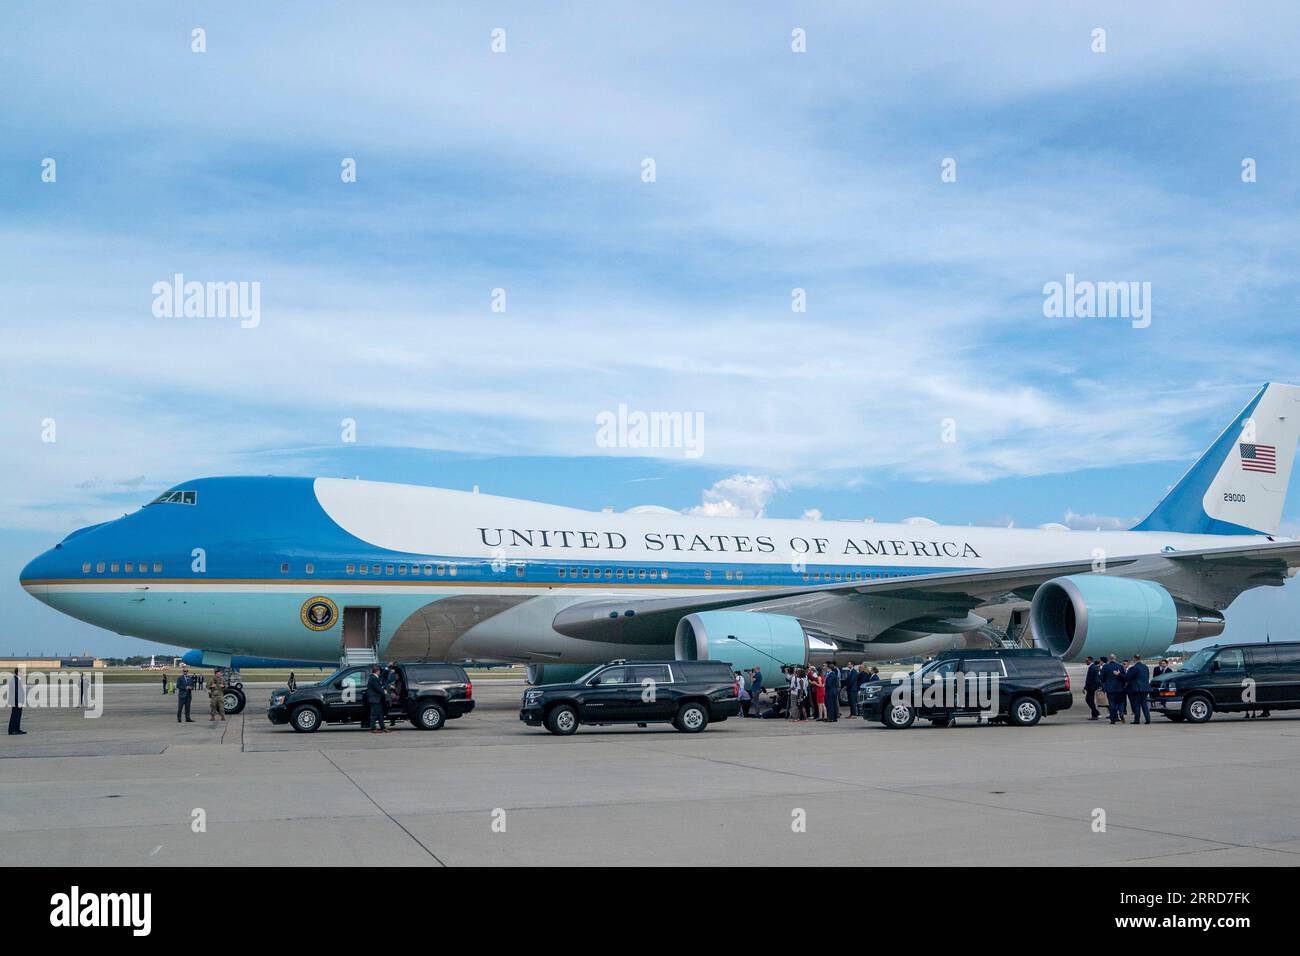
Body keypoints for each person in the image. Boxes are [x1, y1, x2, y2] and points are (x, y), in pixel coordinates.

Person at [1101, 654, 1127, 724]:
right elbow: (1124, 677)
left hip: (1110, 688)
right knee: (1121, 702)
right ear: (1115, 658)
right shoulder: (1120, 666)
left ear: (1109, 659)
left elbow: (1102, 678)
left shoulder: (1105, 667)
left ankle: (1113, 719)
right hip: (1120, 688)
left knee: (1112, 703)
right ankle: (1121, 713)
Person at [1126, 653, 1151, 725]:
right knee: (1144, 704)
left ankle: (1137, 719)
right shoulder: (1145, 667)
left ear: (1134, 659)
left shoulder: (1134, 668)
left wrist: (1119, 674)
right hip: (1145, 688)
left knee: (1136, 704)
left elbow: (1128, 677)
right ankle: (1148, 719)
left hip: (1137, 688)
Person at [366, 664, 388, 733]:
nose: (380, 672)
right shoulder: (373, 678)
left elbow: (381, 678)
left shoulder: (375, 677)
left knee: (380, 714)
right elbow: (377, 688)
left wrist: (387, 668)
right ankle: (373, 728)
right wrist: (384, 692)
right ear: (377, 671)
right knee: (374, 715)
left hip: (377, 699)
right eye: (379, 671)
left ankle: (383, 727)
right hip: (374, 699)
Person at [1083, 656, 1102, 720]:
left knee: (1089, 700)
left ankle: (1095, 713)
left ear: (1090, 660)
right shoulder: (1093, 667)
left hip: (1091, 687)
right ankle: (1095, 713)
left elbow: (1089, 679)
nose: (1085, 662)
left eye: (1086, 661)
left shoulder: (1092, 667)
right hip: (1092, 687)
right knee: (1090, 700)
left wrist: (1085, 687)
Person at [8, 669, 25, 735]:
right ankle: (12, 730)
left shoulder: (17, 679)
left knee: (18, 716)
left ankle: (17, 729)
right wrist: (19, 702)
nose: (22, 674)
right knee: (15, 716)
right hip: (16, 701)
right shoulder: (15, 680)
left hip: (17, 701)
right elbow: (16, 692)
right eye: (21, 672)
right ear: (18, 673)